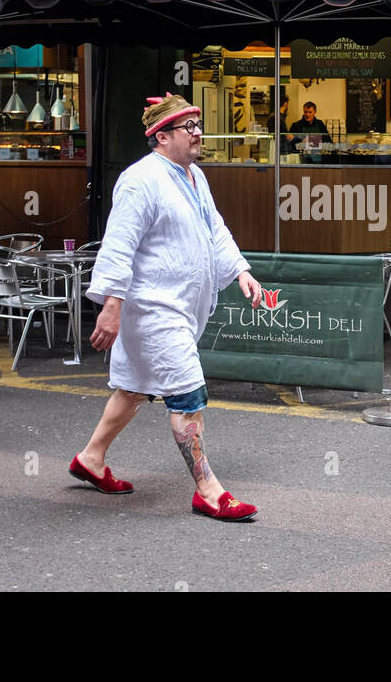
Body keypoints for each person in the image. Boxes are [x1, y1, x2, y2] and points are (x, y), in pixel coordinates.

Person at [72, 92, 265, 521]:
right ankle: (209, 491)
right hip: (152, 308)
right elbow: (119, 245)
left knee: (135, 388)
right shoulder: (141, 180)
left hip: (179, 307)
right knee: (188, 392)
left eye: (197, 125)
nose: (198, 133)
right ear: (161, 137)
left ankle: (91, 458)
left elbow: (215, 229)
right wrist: (111, 305)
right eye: (188, 127)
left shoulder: (195, 177)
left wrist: (241, 271)